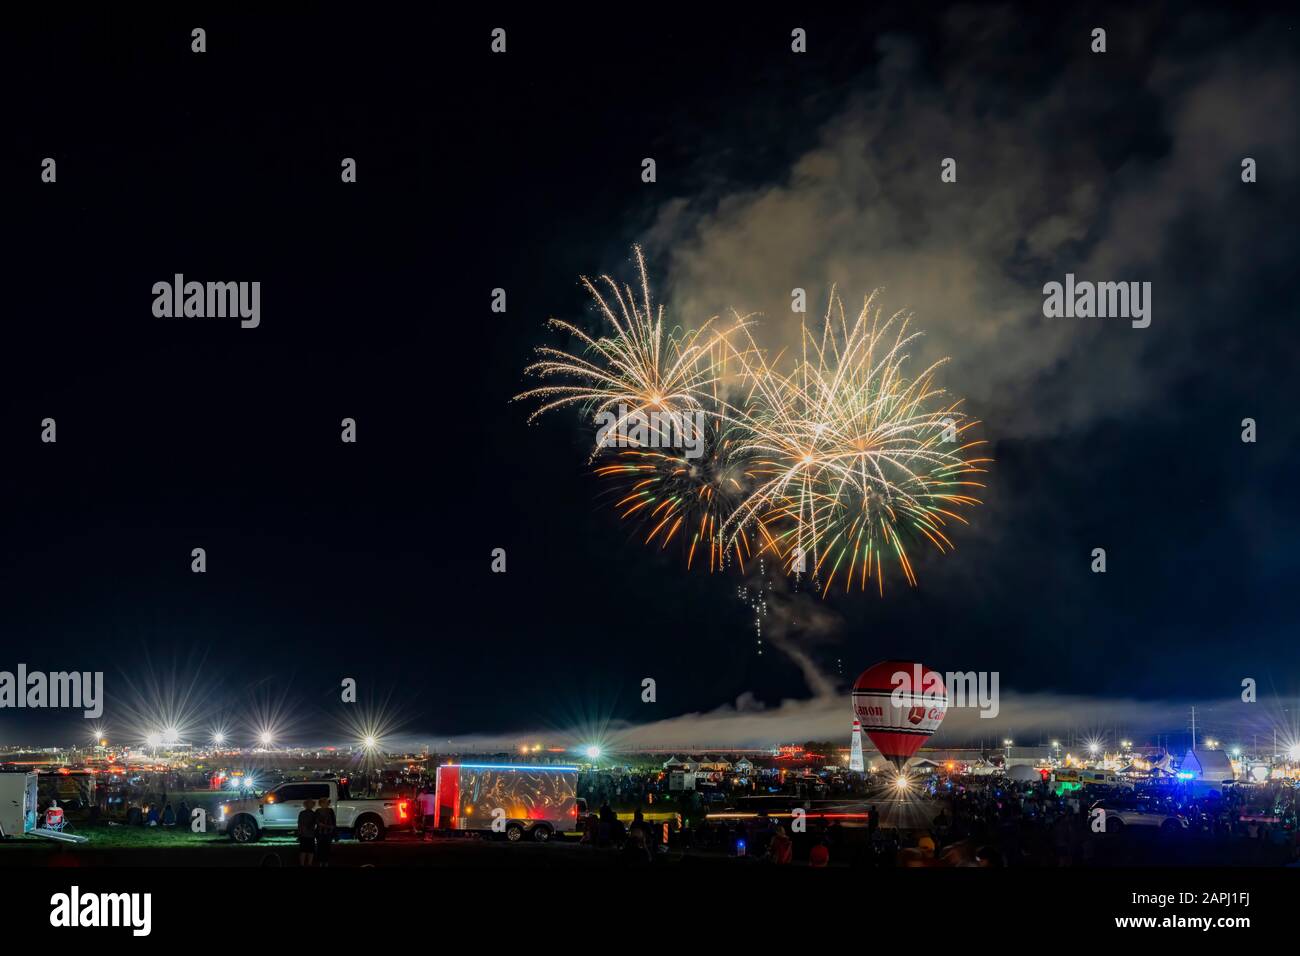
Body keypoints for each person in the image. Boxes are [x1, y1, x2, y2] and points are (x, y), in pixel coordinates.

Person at [315, 797, 337, 867]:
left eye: (327, 803)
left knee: (327, 848)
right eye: (324, 802)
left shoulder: (330, 811)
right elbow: (317, 821)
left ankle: (326, 862)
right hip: (320, 833)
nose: (326, 804)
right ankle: (321, 862)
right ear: (320, 804)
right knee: (320, 848)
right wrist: (327, 826)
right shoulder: (317, 811)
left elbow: (333, 821)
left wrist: (331, 828)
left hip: (328, 833)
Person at [296, 799, 317, 867]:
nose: (309, 805)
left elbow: (300, 824)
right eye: (308, 804)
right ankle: (304, 864)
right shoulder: (304, 813)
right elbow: (300, 824)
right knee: (305, 850)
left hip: (309, 834)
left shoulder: (312, 814)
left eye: (310, 804)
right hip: (305, 834)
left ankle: (308, 864)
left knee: (308, 850)